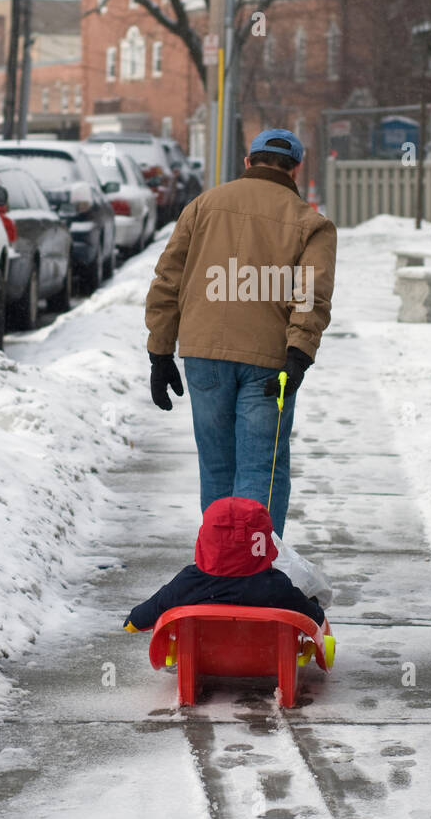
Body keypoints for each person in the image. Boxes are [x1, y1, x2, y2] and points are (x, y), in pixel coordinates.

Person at [144, 128, 336, 537]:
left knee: (216, 466)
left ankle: (219, 567)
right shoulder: (310, 223)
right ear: (296, 170)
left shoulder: (202, 206)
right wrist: (299, 353)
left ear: (248, 162)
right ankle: (256, 568)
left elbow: (167, 282)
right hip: (271, 363)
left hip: (203, 355)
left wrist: (160, 352)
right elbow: (310, 296)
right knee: (262, 468)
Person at [123, 496, 325, 633]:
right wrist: (315, 606)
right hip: (263, 657)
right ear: (263, 543)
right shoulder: (275, 585)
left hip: (206, 654)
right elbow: (313, 616)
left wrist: (133, 621)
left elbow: (154, 607)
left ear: (205, 540)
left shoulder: (189, 582)